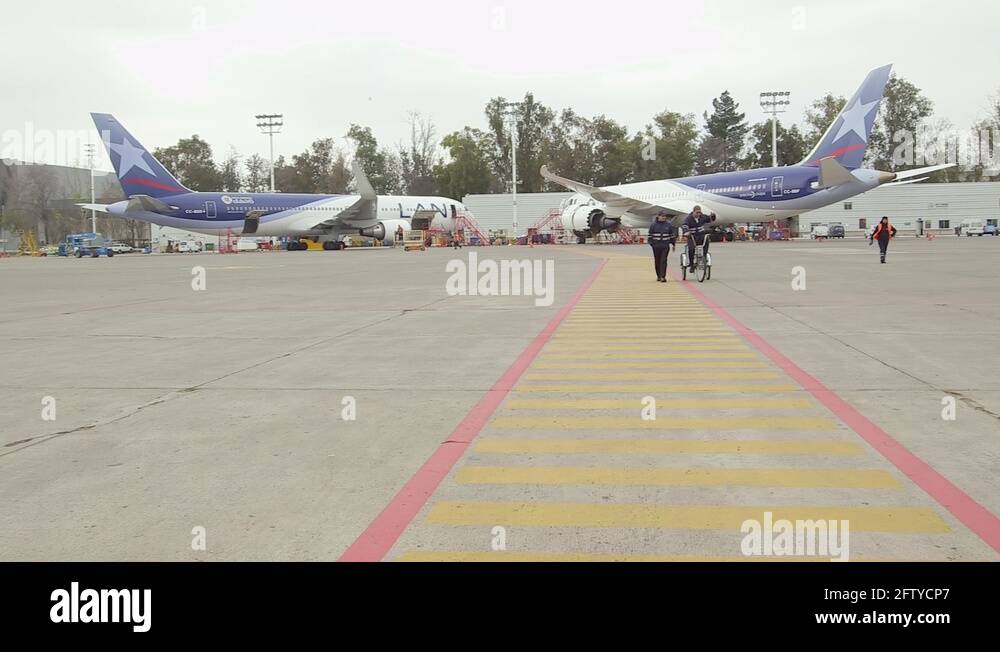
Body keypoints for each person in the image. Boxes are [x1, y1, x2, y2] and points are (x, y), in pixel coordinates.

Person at [682, 206, 716, 272]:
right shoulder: (688, 218)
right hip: (692, 236)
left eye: (699, 213)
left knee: (706, 240)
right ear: (693, 212)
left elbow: (709, 219)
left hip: (701, 234)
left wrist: (712, 216)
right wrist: (686, 231)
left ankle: (704, 256)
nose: (698, 214)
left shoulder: (702, 216)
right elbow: (685, 225)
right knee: (691, 249)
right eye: (697, 213)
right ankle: (691, 264)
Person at [647, 211, 677, 282]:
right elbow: (650, 236)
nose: (664, 217)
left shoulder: (668, 225)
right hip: (656, 246)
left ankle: (663, 276)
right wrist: (652, 244)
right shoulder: (653, 225)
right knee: (657, 261)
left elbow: (672, 235)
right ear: (658, 216)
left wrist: (673, 244)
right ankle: (658, 275)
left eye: (665, 216)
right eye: (662, 216)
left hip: (665, 245)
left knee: (663, 260)